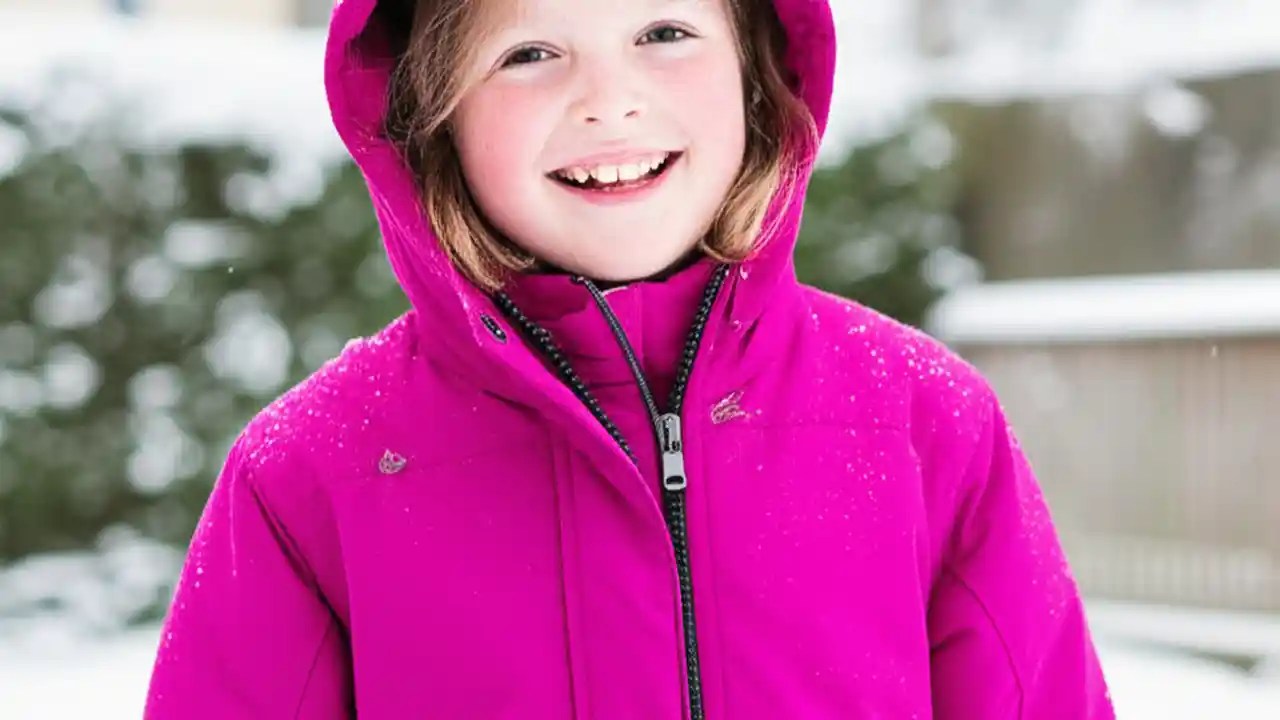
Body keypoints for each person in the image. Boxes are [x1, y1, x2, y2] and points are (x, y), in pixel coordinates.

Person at [145, 0, 1115, 717]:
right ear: (431, 116)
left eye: (662, 33)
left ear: (754, 65)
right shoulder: (310, 475)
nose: (608, 102)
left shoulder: (920, 422)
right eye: (528, 52)